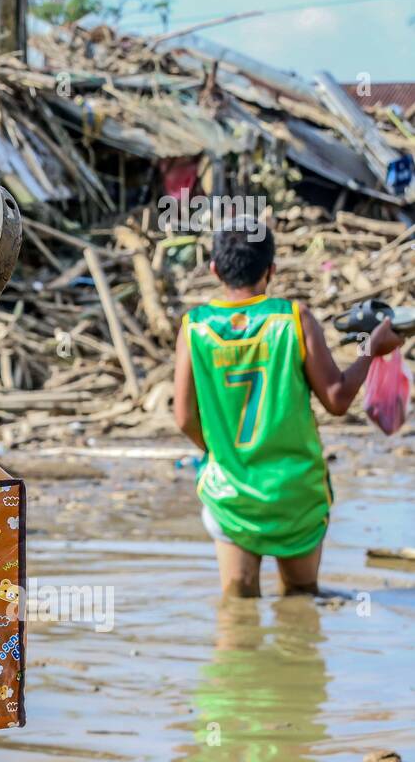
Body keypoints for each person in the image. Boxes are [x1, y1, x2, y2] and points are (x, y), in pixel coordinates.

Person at [172, 215, 404, 597]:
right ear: (271, 271)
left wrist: (222, 452)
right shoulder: (294, 319)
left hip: (232, 490)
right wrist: (370, 349)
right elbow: (337, 399)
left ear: (214, 270)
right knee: (301, 601)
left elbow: (183, 417)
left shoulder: (194, 326)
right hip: (295, 491)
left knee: (238, 608)